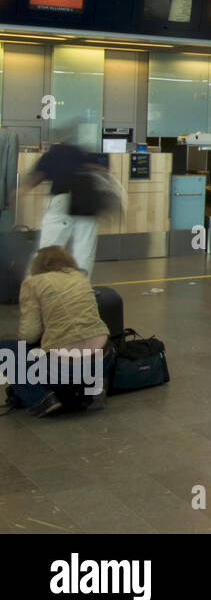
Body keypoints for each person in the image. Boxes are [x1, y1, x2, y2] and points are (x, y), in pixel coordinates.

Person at [1, 246, 110, 417]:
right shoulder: (80, 277)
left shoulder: (32, 283)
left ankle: (42, 399)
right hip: (103, 358)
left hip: (65, 366)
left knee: (6, 350)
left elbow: (29, 334)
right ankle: (94, 386)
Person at [20, 142, 101, 279]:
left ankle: (35, 284)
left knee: (48, 248)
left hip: (62, 199)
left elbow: (38, 176)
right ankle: (80, 288)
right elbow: (100, 170)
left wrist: (22, 190)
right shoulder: (85, 152)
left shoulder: (53, 153)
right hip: (88, 202)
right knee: (84, 249)